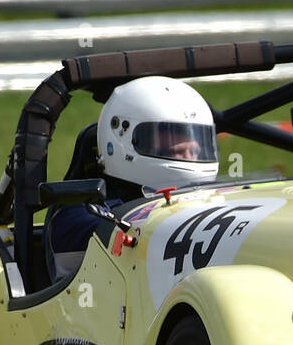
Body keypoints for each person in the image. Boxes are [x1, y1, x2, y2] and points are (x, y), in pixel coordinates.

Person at [48, 76, 220, 260]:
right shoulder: (79, 215)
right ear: (122, 136)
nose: (189, 154)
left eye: (195, 149)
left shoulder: (213, 201)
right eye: (173, 141)